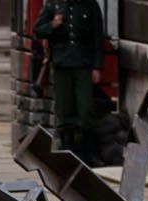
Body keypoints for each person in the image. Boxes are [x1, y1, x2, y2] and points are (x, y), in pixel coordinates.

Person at [34, 0, 105, 160]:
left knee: (86, 109)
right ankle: (68, 152)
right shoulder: (53, 5)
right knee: (64, 110)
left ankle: (89, 153)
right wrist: (53, 24)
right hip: (61, 64)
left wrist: (97, 66)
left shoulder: (90, 5)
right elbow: (38, 30)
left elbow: (97, 36)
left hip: (83, 64)